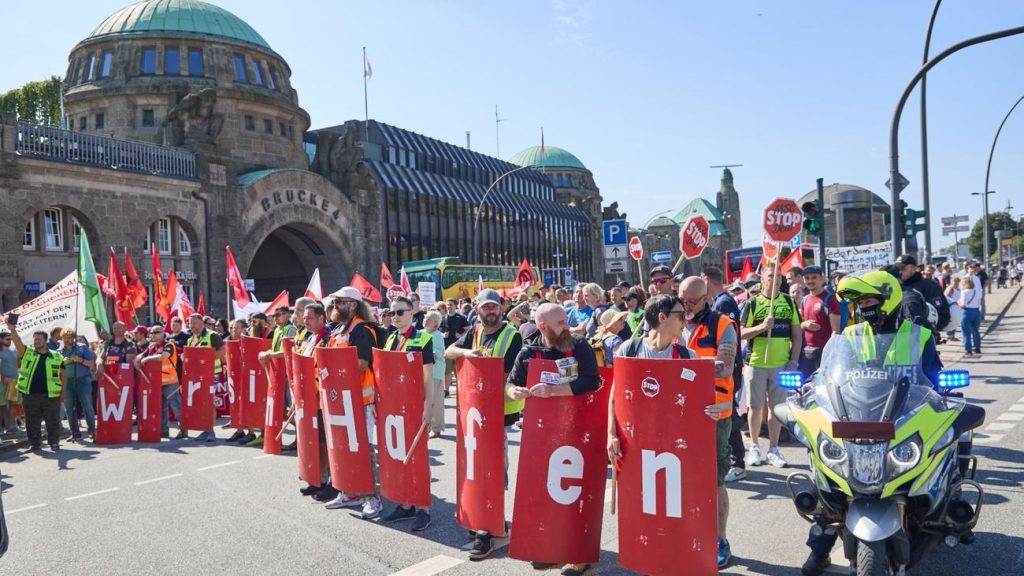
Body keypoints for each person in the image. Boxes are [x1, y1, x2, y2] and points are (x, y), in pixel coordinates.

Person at [801, 270, 943, 575]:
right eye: (859, 300)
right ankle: (821, 546)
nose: (863, 305)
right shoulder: (850, 336)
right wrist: (812, 386)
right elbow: (830, 372)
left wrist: (945, 391)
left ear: (888, 298)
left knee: (943, 446)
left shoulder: (920, 335)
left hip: (902, 418)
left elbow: (935, 379)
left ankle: (944, 511)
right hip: (857, 419)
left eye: (868, 299)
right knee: (827, 478)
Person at [507, 303, 600, 575]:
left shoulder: (579, 345)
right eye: (559, 322)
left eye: (565, 319)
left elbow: (591, 381)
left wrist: (553, 390)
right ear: (543, 327)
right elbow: (512, 383)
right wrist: (515, 393)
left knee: (575, 494)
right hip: (542, 433)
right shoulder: (528, 351)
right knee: (544, 492)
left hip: (576, 430)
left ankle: (577, 555)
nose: (566, 325)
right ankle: (549, 547)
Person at [445, 288, 525, 560]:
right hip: (476, 412)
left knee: (493, 465)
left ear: (501, 308)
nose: (491, 311)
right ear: (477, 309)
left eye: (494, 306)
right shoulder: (476, 332)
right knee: (479, 465)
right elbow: (449, 351)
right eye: (486, 307)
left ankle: (488, 527)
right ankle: (492, 519)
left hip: (500, 411)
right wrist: (469, 352)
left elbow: (509, 372)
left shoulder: (511, 335)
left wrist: (484, 366)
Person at [322, 287, 385, 519]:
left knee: (365, 448)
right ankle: (349, 491)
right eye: (335, 301)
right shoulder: (338, 329)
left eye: (340, 302)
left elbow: (360, 363)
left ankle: (371, 498)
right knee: (344, 447)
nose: (335, 305)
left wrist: (334, 373)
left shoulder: (362, 329)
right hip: (341, 400)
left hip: (361, 399)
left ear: (354, 305)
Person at [380, 296, 436, 531]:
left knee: (419, 455)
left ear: (412, 312)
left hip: (415, 405)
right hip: (394, 406)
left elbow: (428, 378)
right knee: (399, 453)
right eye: (391, 312)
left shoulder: (423, 338)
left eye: (400, 312)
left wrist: (428, 407)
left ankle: (423, 508)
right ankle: (405, 503)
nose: (395, 316)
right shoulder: (391, 338)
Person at [739, 260, 802, 469]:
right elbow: (740, 332)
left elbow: (797, 334)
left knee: (777, 409)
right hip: (756, 362)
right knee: (755, 407)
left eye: (778, 277)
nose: (775, 281)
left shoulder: (789, 302)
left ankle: (774, 449)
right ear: (762, 279)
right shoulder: (753, 303)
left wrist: (794, 360)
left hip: (781, 364)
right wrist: (761, 327)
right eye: (770, 277)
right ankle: (755, 446)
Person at [295, 303, 337, 502]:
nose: (306, 322)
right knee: (316, 441)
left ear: (322, 319)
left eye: (309, 318)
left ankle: (331, 482)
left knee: (325, 442)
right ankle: (319, 479)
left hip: (324, 399)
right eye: (304, 319)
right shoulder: (309, 338)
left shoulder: (329, 339)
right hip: (309, 397)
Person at [7, 321, 65, 452]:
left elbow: (63, 375)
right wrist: (12, 330)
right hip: (30, 394)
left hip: (51, 394)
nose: (36, 341)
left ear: (45, 340)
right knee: (32, 421)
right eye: (35, 339)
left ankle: (54, 443)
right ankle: (34, 444)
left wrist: (63, 392)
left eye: (39, 339)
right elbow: (18, 342)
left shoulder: (56, 356)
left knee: (53, 420)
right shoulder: (27, 353)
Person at [134, 325, 179, 440]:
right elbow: (140, 355)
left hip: (170, 382)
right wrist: (138, 359)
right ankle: (164, 431)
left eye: (156, 332)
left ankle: (183, 430)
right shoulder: (152, 346)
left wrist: (147, 359)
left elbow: (163, 357)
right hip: (156, 382)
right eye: (151, 333)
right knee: (161, 408)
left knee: (176, 407)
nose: (153, 335)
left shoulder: (169, 345)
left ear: (163, 333)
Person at [186, 313, 225, 442]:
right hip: (198, 375)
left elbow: (222, 351)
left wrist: (206, 359)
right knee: (201, 402)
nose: (192, 326)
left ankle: (210, 431)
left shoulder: (212, 335)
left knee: (209, 402)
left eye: (194, 323)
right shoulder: (190, 339)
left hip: (211, 374)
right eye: (190, 323)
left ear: (202, 323)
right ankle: (205, 429)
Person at [798, 266, 840, 379]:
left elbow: (835, 331)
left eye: (814, 277)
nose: (810, 281)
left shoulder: (830, 299)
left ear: (821, 278)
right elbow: (798, 326)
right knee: (806, 388)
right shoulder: (804, 300)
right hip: (807, 354)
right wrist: (804, 325)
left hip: (824, 354)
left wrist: (829, 354)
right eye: (807, 278)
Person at [897, 255, 950, 334]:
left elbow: (943, 315)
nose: (899, 271)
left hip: (923, 337)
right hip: (899, 337)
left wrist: (925, 328)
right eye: (897, 268)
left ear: (914, 269)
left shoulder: (930, 286)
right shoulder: (896, 286)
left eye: (902, 268)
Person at [60, 328, 96, 442]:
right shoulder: (59, 351)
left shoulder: (82, 347)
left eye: (69, 337)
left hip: (83, 380)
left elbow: (92, 364)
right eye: (64, 337)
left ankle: (92, 431)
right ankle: (75, 433)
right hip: (67, 382)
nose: (66, 340)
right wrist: (62, 363)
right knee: (69, 408)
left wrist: (80, 360)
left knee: (87, 407)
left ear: (73, 337)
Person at [423, 310, 447, 438]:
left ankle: (436, 428)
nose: (425, 319)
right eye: (425, 317)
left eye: (429, 318)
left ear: (436, 324)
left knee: (436, 402)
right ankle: (425, 426)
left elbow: (437, 354)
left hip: (435, 372)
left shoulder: (437, 335)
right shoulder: (420, 333)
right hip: (423, 373)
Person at [0, 331, 22, 436]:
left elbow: (19, 365)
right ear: (1, 340)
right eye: (7, 339)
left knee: (14, 405)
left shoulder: (14, 350)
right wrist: (3, 378)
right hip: (2, 383)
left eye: (10, 339)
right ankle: (0, 429)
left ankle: (10, 427)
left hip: (14, 381)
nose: (10, 341)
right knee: (2, 406)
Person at [958, 276, 983, 357]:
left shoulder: (964, 292)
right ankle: (977, 348)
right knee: (976, 331)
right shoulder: (977, 292)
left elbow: (963, 304)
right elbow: (979, 302)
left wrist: (958, 302)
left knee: (966, 332)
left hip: (966, 312)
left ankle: (968, 350)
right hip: (976, 311)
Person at [943, 276, 962, 342]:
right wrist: (954, 302)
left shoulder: (958, 288)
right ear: (951, 282)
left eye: (957, 282)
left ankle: (952, 336)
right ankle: (950, 336)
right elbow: (946, 297)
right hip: (951, 307)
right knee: (952, 320)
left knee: (955, 321)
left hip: (957, 307)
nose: (956, 283)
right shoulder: (950, 288)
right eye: (955, 282)